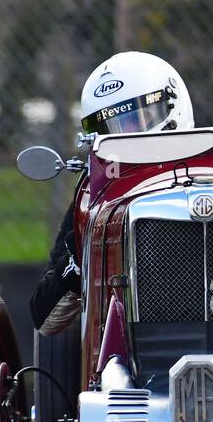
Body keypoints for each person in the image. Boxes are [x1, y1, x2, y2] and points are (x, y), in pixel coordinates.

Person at [29, 51, 194, 335]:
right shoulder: (96, 191)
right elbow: (44, 318)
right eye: (111, 128)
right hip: (128, 344)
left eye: (135, 120)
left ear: (171, 106)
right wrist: (80, 252)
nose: (124, 134)